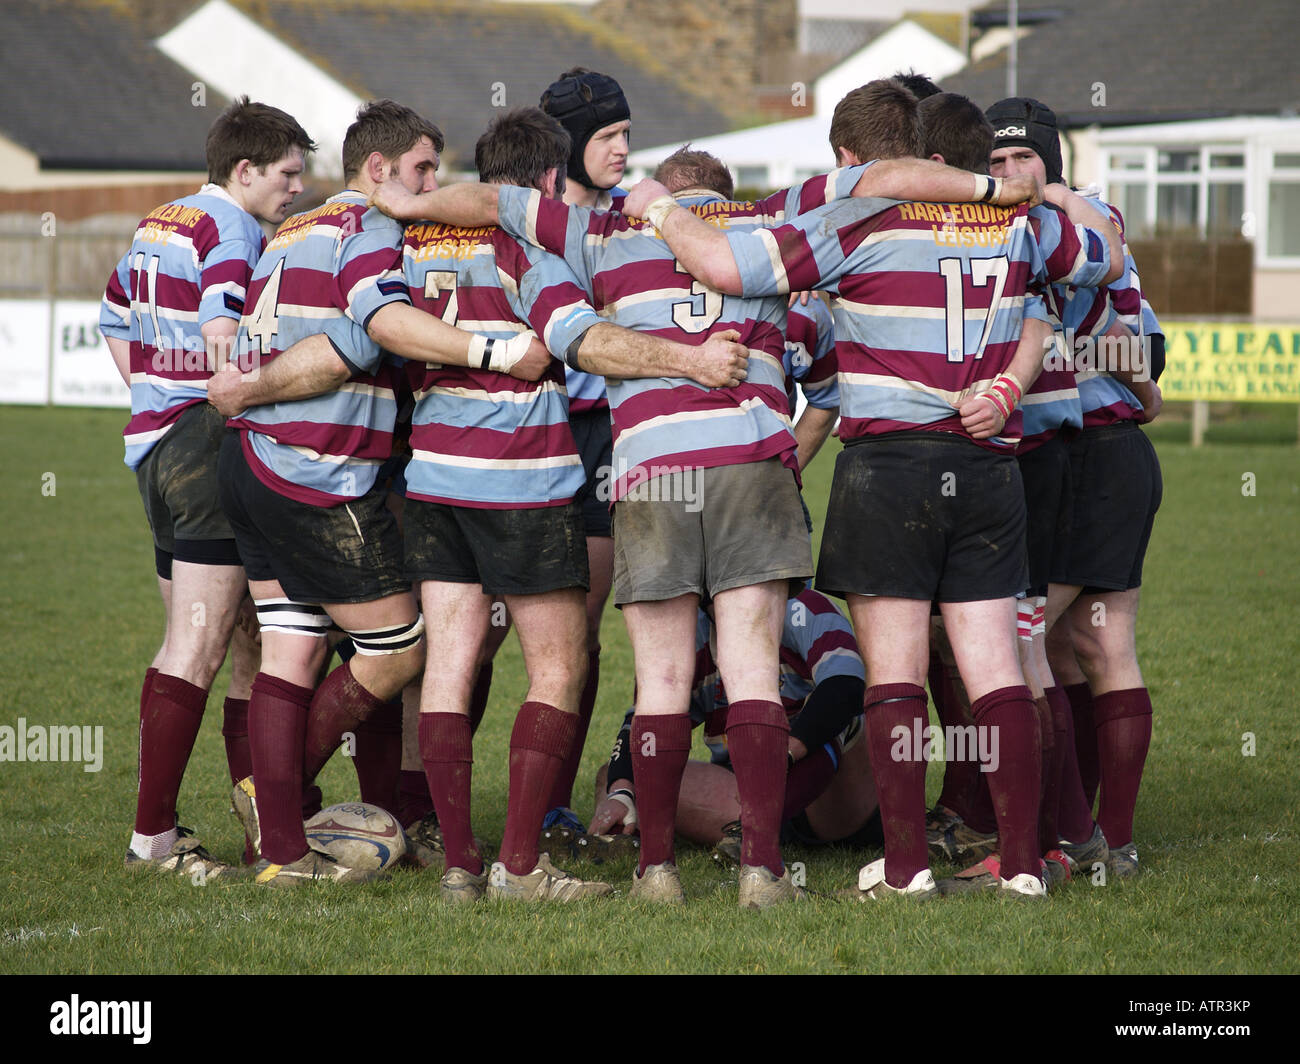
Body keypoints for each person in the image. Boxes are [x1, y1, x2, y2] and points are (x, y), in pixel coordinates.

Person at [371, 113, 1037, 907]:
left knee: (660, 679)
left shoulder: (602, 232)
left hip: (649, 469)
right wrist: (998, 189)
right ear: (720, 196)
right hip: (750, 464)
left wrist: (410, 207)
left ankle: (655, 871)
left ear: (664, 194)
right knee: (753, 665)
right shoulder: (771, 219)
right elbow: (885, 179)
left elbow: (491, 203)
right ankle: (761, 872)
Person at [635, 79, 1124, 899]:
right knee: (997, 668)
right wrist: (1060, 192)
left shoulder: (860, 219)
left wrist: (658, 209)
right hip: (988, 465)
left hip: (889, 466)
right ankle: (1024, 868)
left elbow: (721, 262)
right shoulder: (1026, 224)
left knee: (895, 677)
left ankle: (905, 869)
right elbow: (1104, 253)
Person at [399, 107, 748, 903]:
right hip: (521, 475)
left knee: (450, 666)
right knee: (558, 664)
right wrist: (688, 361)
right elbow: (581, 342)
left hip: (433, 477)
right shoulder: (533, 247)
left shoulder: (416, 241)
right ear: (552, 180)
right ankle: (520, 865)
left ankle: (460, 866)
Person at [207, 100, 548, 886]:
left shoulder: (291, 231)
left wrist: (251, 392)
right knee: (402, 649)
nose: (432, 184)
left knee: (292, 646)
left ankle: (284, 850)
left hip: (252, 462)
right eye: (423, 168)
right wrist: (492, 349)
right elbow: (366, 336)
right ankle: (275, 797)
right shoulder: (367, 229)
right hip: (315, 470)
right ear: (378, 170)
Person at [100, 96, 314, 877]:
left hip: (158, 450)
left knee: (239, 639)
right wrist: (228, 393)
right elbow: (226, 328)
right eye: (288, 174)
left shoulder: (161, 220)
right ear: (246, 169)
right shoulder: (233, 228)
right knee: (204, 644)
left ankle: (258, 825)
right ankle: (153, 838)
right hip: (203, 442)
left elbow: (115, 315)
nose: (296, 189)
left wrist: (155, 393)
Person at [987, 96, 1164, 880]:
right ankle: (1090, 836)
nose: (1009, 173)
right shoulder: (1012, 230)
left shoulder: (1090, 226)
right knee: (1069, 645)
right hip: (1081, 454)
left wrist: (1112, 372)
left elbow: (1148, 355)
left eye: (1024, 159)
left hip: (1096, 455)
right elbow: (1140, 363)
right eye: (993, 162)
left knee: (1041, 644)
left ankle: (1086, 839)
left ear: (1052, 164)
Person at [589, 589, 876, 859]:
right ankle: (741, 831)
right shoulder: (690, 629)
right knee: (622, 773)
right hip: (743, 795)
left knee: (835, 717)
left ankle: (760, 828)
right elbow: (642, 725)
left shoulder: (804, 608)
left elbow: (846, 688)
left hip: (830, 797)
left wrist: (784, 755)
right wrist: (623, 791)